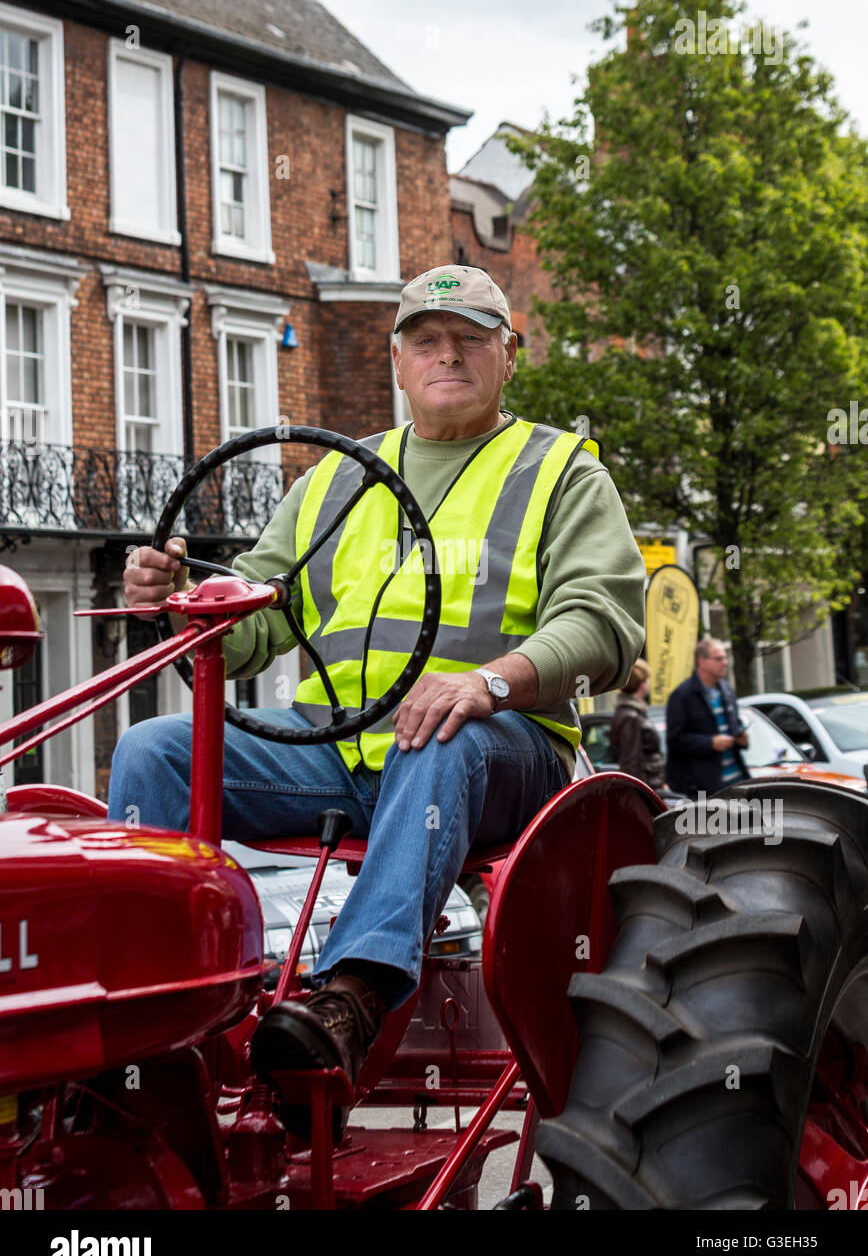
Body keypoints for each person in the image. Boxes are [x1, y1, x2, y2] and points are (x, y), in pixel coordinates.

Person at [108, 264, 646, 1139]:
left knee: (436, 735)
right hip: (340, 752)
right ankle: (154, 1023)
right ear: (397, 361)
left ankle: (350, 1000)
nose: (448, 354)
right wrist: (172, 601)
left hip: (500, 755)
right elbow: (246, 626)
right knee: (154, 750)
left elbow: (604, 626)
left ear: (510, 356)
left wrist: (486, 683)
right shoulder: (334, 480)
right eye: (427, 339)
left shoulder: (561, 471)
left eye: (471, 338)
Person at [665, 638, 749, 801]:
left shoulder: (726, 690)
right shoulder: (682, 695)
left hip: (737, 781)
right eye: (719, 658)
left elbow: (734, 724)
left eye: (725, 658)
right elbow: (674, 740)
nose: (725, 662)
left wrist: (742, 738)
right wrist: (709, 743)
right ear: (702, 661)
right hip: (704, 789)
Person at [609, 659, 666, 792]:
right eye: (648, 679)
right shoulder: (630, 716)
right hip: (646, 792)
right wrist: (640, 795)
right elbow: (631, 763)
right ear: (642, 684)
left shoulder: (632, 712)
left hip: (650, 788)